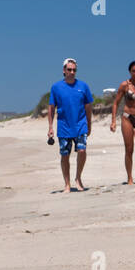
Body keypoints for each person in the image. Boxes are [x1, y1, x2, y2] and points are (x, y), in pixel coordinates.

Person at [47, 58, 93, 192]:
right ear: (64, 70)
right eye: (69, 69)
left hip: (80, 124)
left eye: (74, 70)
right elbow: (51, 108)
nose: (72, 72)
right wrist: (50, 127)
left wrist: (89, 125)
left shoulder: (83, 86)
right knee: (65, 155)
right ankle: (67, 184)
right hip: (64, 127)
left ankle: (78, 178)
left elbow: (88, 107)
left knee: (82, 151)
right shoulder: (56, 87)